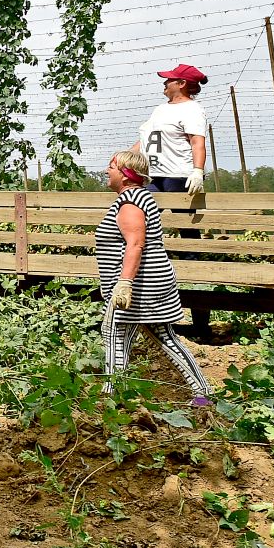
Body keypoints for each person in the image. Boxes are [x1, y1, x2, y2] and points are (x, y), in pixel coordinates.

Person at [95, 149, 213, 406]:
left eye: (111, 167)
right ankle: (203, 395)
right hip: (150, 281)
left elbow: (135, 244)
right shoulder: (140, 197)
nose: (107, 171)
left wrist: (124, 283)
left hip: (139, 284)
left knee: (114, 333)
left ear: (126, 175)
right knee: (164, 336)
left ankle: (111, 398)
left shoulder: (130, 204)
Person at [133, 63, 209, 194]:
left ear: (181, 84)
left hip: (179, 176)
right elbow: (147, 139)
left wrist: (197, 171)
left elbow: (197, 143)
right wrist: (122, 158)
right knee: (142, 209)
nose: (165, 82)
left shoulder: (192, 109)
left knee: (182, 215)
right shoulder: (160, 109)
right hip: (156, 175)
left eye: (170, 79)